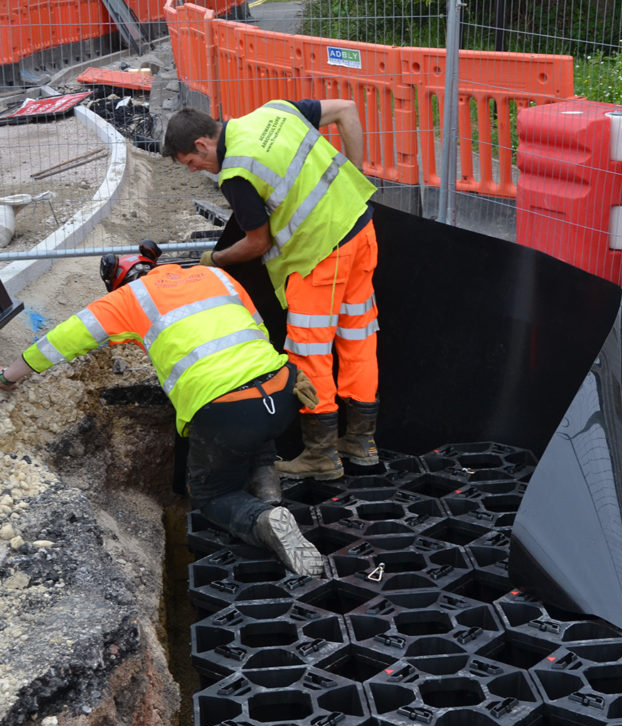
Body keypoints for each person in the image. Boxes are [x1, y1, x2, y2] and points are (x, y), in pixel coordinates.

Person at [0, 250, 324, 577]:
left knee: (213, 494)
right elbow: (257, 330)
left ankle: (261, 518)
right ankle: (271, 497)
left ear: (117, 282)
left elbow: (61, 340)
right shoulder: (214, 275)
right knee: (255, 433)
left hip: (224, 410)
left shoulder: (128, 297)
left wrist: (8, 376)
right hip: (283, 390)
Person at [161, 99, 380, 482]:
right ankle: (362, 443)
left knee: (309, 353)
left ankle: (321, 455)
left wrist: (216, 259)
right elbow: (348, 109)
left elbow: (257, 243)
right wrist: (352, 177)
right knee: (358, 337)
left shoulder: (236, 175)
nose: (197, 171)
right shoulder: (274, 112)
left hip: (320, 256)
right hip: (361, 230)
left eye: (191, 163)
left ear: (202, 145)